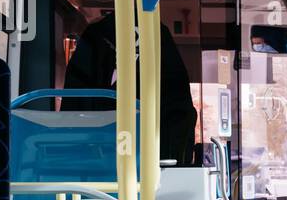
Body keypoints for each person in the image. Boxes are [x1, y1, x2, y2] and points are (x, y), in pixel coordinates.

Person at [61, 11, 199, 165]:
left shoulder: (96, 35)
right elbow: (180, 108)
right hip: (154, 161)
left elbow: (73, 103)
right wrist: (176, 160)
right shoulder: (158, 35)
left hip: (97, 158)